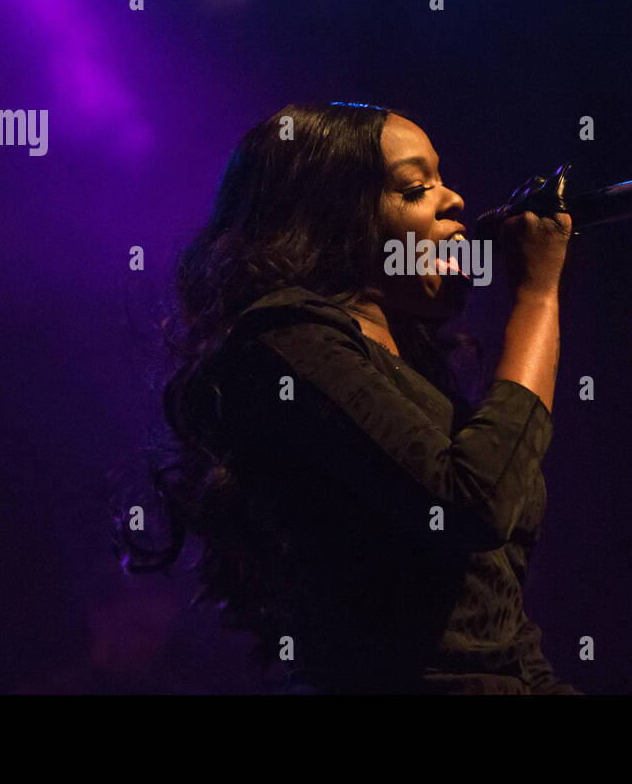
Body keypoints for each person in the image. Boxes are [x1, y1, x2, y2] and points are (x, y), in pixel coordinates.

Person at [120, 101, 579, 694]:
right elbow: (472, 502)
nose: (456, 200)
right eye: (416, 187)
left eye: (441, 180)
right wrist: (538, 296)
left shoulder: (406, 369)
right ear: (333, 217)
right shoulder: (283, 339)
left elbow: (496, 625)